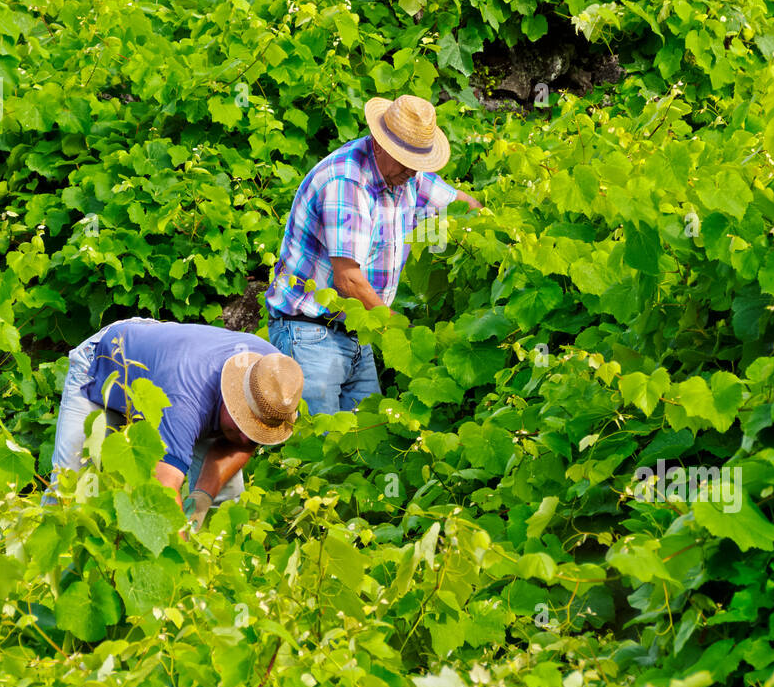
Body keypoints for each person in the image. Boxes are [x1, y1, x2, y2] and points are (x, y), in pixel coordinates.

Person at [265, 93, 480, 417]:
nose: (412, 171)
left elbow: (462, 206)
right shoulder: (347, 181)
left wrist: (494, 226)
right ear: (379, 145)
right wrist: (400, 332)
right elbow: (348, 279)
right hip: (310, 334)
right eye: (405, 160)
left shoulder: (406, 175)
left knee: (367, 443)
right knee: (317, 450)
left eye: (417, 162)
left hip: (357, 330)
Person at [47, 318, 304, 532]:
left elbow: (241, 439)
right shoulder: (184, 401)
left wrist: (202, 496)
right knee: (71, 485)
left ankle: (215, 567)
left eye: (256, 432)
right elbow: (164, 491)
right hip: (107, 362)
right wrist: (181, 562)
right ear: (231, 397)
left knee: (227, 499)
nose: (247, 441)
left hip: (166, 359)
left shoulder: (276, 377)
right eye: (242, 425)